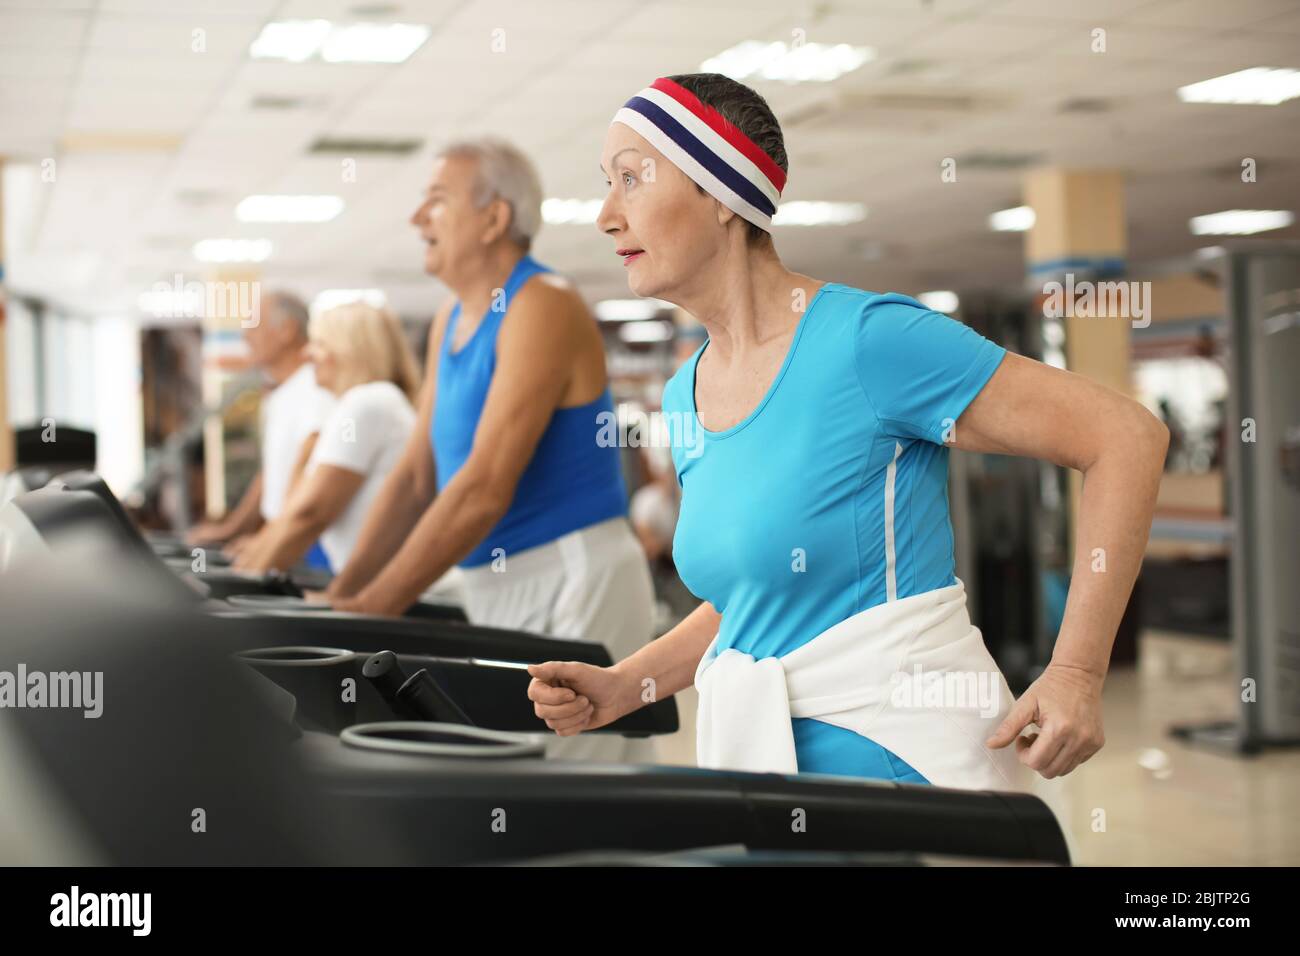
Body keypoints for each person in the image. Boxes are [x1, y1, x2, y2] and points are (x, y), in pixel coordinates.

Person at [526, 73, 1170, 791]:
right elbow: (756, 599)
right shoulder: (686, 393)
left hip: (907, 765)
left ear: (719, 195)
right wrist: (627, 685)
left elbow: (1125, 436)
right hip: (778, 776)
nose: (607, 216)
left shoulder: (869, 342)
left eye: (630, 179)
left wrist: (1077, 671)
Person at [322, 138, 654, 761]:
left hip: (573, 575)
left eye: (437, 200)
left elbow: (483, 487)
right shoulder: (449, 317)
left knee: (558, 791)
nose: (418, 217)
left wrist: (369, 609)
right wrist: (345, 596)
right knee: (547, 775)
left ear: (495, 218)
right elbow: (416, 476)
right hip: (495, 584)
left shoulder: (543, 304)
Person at [232, 302, 419, 575]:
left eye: (319, 343)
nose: (307, 353)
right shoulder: (372, 402)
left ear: (351, 349)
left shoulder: (366, 403)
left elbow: (309, 514)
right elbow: (297, 508)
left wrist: (246, 576)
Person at [187, 291, 335, 569]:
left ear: (287, 330)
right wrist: (233, 529)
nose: (245, 337)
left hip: (307, 543)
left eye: (253, 325)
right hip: (283, 535)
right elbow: (272, 475)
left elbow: (307, 478)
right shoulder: (281, 394)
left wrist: (266, 542)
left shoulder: (315, 389)